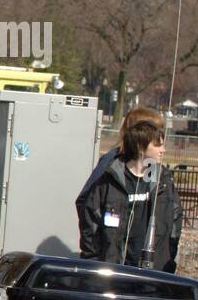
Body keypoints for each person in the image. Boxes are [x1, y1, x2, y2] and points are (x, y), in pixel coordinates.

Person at [78, 107, 182, 272]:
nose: (163, 150)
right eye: (157, 143)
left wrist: (168, 259)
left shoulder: (161, 178)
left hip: (154, 270)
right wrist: (94, 260)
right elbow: (88, 210)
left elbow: (174, 221)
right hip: (114, 268)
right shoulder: (111, 167)